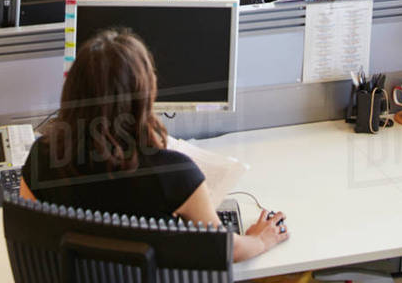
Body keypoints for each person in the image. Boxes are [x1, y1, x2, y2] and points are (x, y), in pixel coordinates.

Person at [19, 28, 290, 264]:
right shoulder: (174, 173)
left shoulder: (42, 158)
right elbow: (223, 249)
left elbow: (30, 236)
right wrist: (261, 240)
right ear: (145, 96)